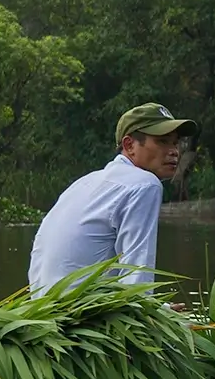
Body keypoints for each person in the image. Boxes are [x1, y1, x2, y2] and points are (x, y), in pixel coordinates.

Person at [27, 102, 198, 292]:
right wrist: (147, 315)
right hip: (81, 314)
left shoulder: (85, 183)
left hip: (46, 307)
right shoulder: (145, 184)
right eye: (163, 141)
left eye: (175, 142)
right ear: (129, 145)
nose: (174, 151)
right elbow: (137, 271)